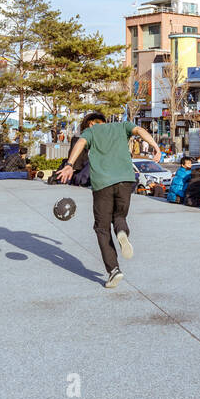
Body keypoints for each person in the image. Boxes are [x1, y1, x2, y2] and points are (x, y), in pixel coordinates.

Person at [57, 112, 160, 289]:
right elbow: (140, 130)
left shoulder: (91, 131)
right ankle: (122, 232)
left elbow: (81, 143)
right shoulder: (121, 126)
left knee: (102, 228)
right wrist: (155, 147)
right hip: (126, 180)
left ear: (89, 124)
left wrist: (69, 164)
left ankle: (113, 270)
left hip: (103, 184)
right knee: (119, 216)